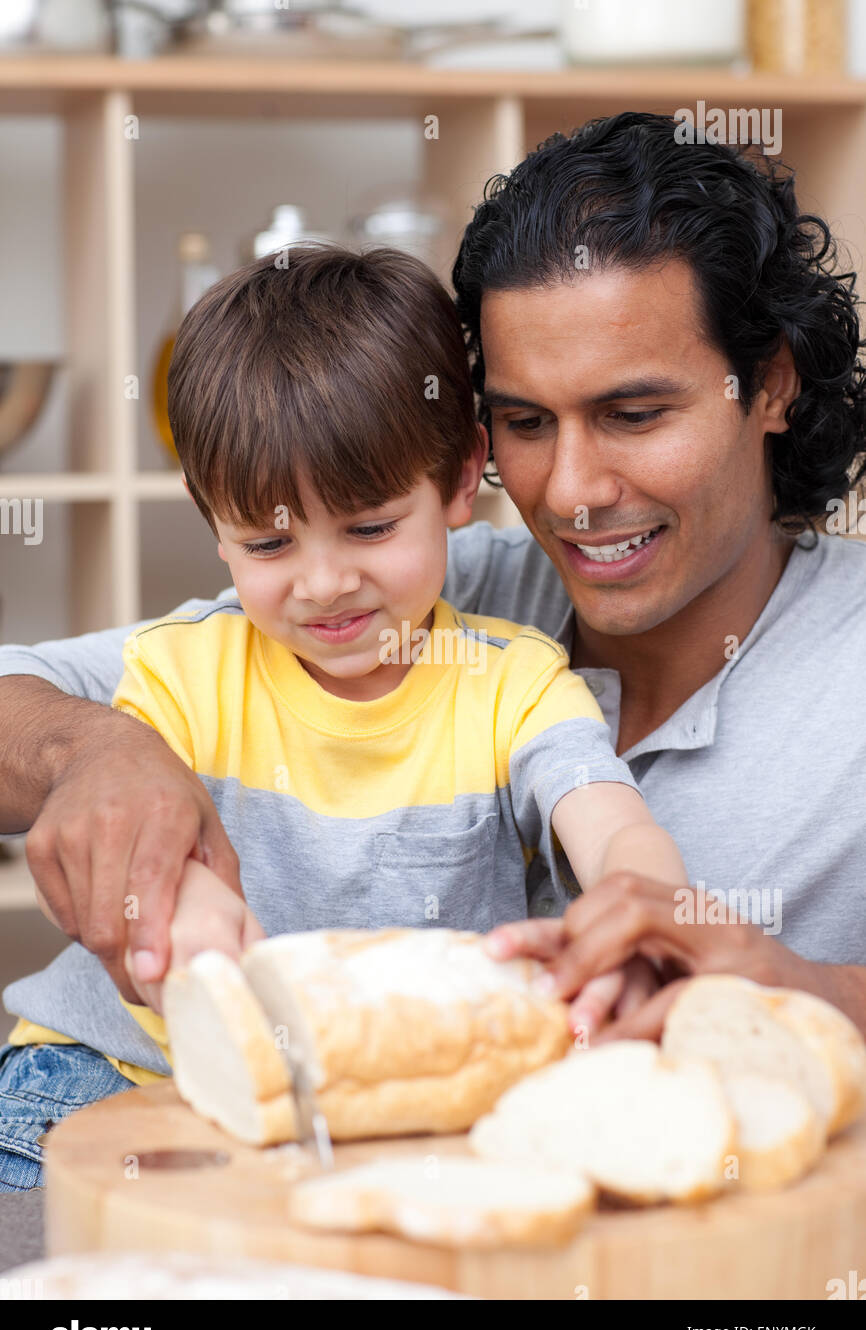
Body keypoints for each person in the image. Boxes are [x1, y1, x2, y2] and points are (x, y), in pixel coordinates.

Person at [1, 110, 865, 1074]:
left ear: (772, 385)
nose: (571, 493)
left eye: (634, 413)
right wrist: (96, 747)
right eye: (526, 421)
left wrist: (796, 986)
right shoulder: (435, 605)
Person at [0, 243, 689, 1190]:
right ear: (214, 525)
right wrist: (177, 907)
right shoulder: (182, 670)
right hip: (106, 1081)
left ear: (458, 481)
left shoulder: (515, 682)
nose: (324, 583)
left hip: (372, 1110)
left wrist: (634, 904)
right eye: (270, 541)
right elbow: (142, 856)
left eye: (369, 528)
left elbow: (613, 826)